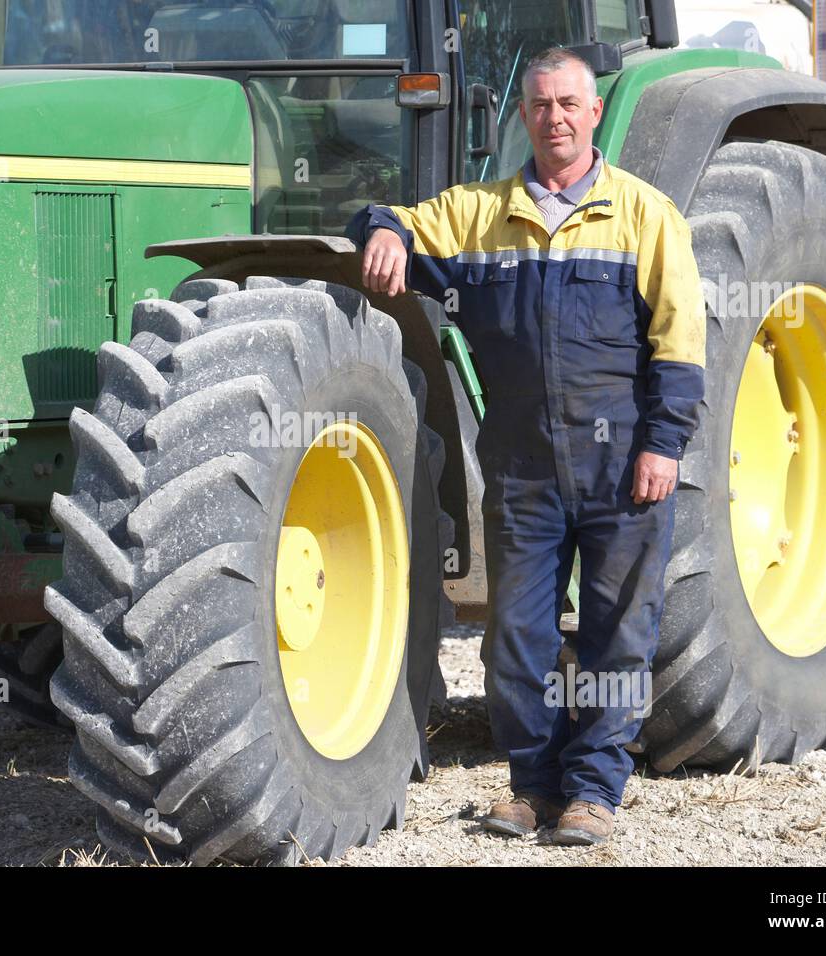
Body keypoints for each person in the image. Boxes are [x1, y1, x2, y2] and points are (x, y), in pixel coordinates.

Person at [345, 46, 706, 845]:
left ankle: (592, 793)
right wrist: (383, 233)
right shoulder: (480, 213)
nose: (556, 118)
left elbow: (680, 344)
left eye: (570, 103)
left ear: (595, 112)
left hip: (623, 466)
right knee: (518, 634)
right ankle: (530, 786)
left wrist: (663, 444)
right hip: (522, 468)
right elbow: (389, 219)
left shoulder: (646, 216)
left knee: (619, 633)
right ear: (523, 116)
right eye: (541, 105)